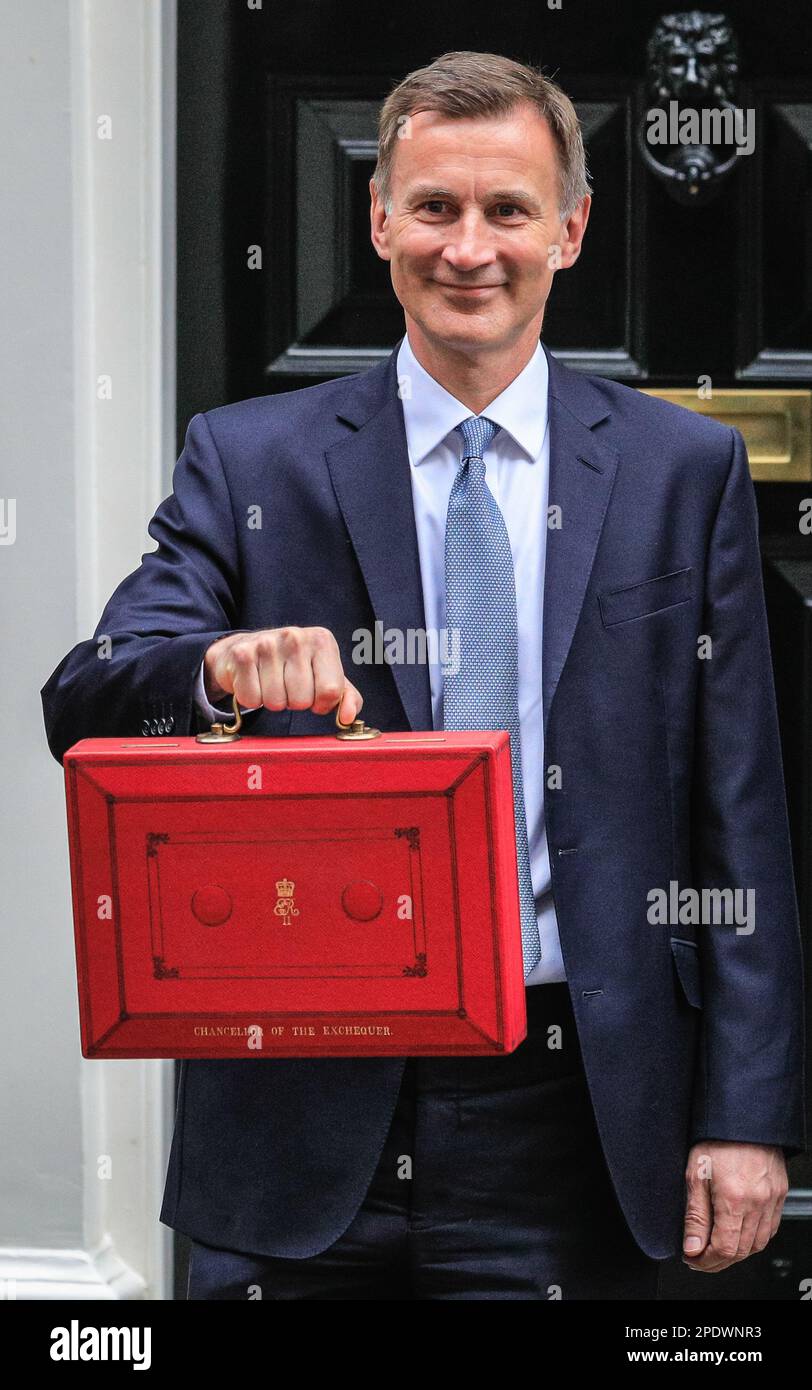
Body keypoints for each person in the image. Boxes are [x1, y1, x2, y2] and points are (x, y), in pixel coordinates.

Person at [41, 50, 805, 1300]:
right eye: (435, 207)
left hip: (576, 1114)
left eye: (506, 210)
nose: (469, 248)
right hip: (296, 1113)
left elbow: (740, 816)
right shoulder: (249, 463)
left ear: (568, 230)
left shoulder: (681, 471)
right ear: (380, 217)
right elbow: (86, 698)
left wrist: (745, 1112)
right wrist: (217, 670)